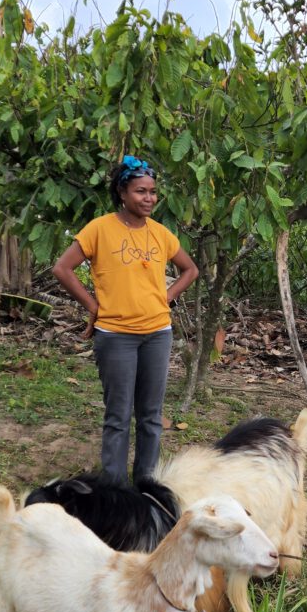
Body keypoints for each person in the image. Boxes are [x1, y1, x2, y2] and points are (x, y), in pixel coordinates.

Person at [53, 155, 199, 484]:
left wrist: (167, 296)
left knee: (150, 416)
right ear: (122, 192)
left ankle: (146, 487)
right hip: (116, 335)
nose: (149, 199)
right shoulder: (99, 229)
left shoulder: (161, 234)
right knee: (118, 416)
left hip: (157, 335)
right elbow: (62, 268)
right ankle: (114, 490)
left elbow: (190, 269)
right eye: (140, 192)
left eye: (152, 192)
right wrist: (92, 306)